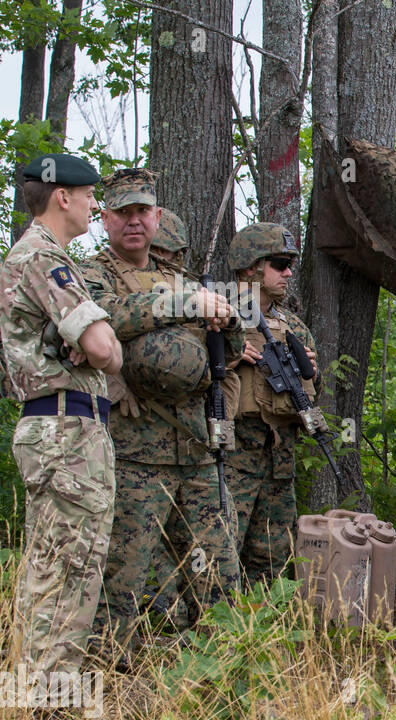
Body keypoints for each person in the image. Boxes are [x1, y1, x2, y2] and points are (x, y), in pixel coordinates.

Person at [83, 168, 240, 661]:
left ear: (155, 218)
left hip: (194, 448)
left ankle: (225, 667)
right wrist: (181, 304)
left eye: (142, 212)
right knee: (123, 573)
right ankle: (106, 677)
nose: (134, 222)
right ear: (104, 219)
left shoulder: (186, 280)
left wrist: (225, 320)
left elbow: (228, 354)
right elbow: (102, 316)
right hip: (133, 451)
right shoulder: (90, 275)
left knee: (216, 567)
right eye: (123, 213)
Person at [0, 153, 122, 720]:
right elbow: (104, 346)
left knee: (45, 577)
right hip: (68, 431)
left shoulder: (17, 258)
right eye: (90, 195)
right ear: (62, 198)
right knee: (69, 580)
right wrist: (103, 351)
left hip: (48, 428)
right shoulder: (45, 258)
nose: (97, 206)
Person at [226, 222, 317, 584]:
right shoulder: (217, 313)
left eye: (290, 263)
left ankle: (269, 632)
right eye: (279, 263)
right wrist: (229, 356)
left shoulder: (290, 323)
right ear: (251, 266)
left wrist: (309, 369)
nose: (288, 272)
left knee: (275, 557)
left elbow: (313, 392)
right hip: (231, 455)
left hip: (279, 457)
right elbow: (185, 374)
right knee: (222, 550)